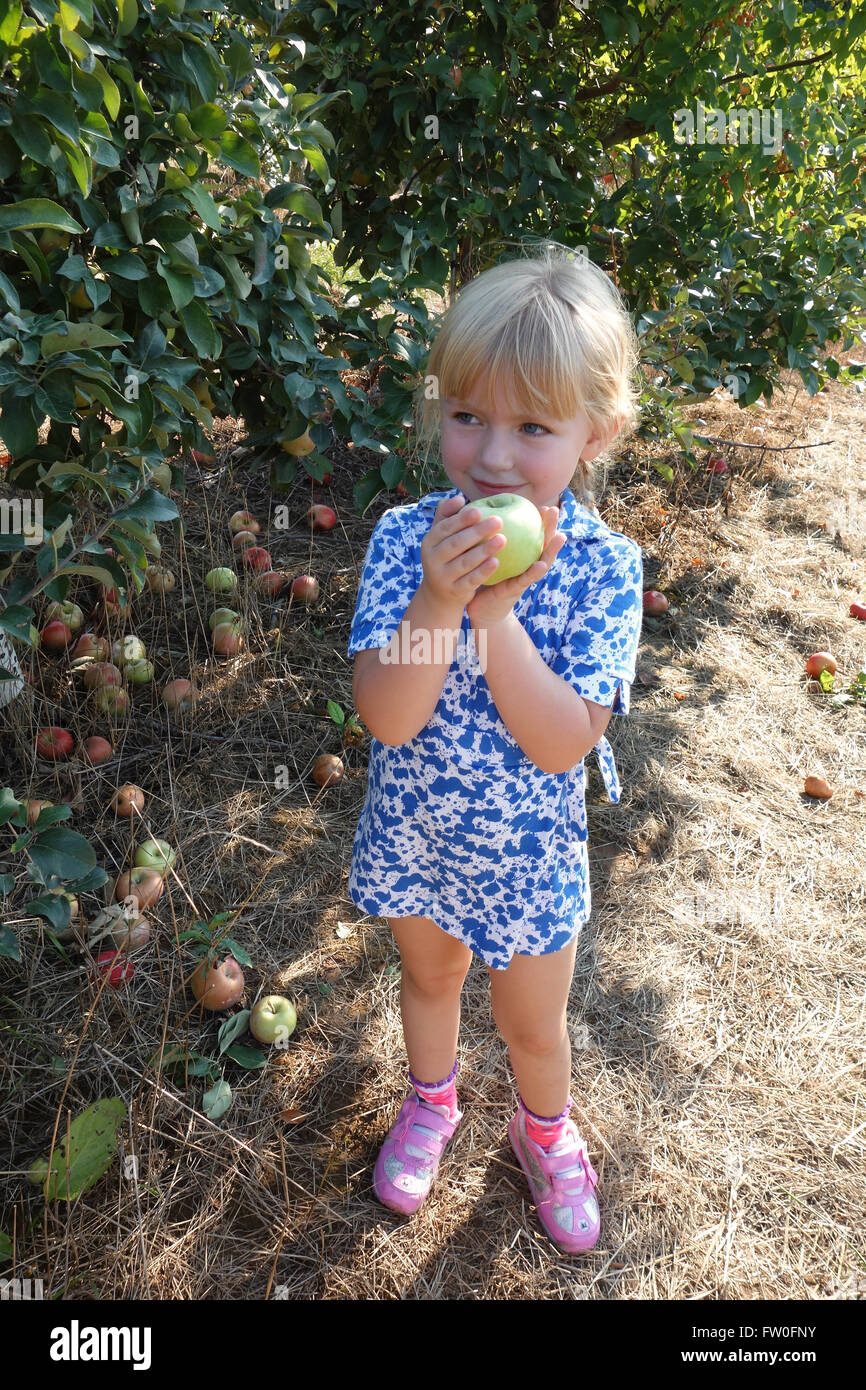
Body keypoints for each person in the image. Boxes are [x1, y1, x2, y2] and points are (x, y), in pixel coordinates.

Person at [346, 242, 644, 1254]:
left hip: (526, 859)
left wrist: (496, 619)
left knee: (531, 1023)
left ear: (594, 433)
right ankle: (431, 1102)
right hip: (419, 832)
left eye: (532, 426)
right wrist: (440, 594)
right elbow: (385, 716)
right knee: (427, 980)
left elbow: (563, 743)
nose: (493, 456)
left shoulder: (604, 570)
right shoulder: (405, 542)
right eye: (467, 415)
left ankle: (545, 1131)